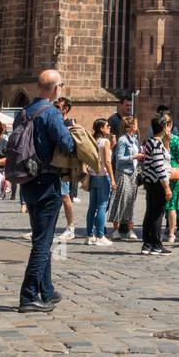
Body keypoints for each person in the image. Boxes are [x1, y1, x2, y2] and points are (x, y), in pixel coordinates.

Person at [16, 69, 77, 314]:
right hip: (46, 180)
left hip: (28, 181)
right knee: (42, 242)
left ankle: (47, 290)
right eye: (60, 84)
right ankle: (29, 295)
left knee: (43, 237)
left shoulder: (24, 112)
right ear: (55, 89)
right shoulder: (51, 113)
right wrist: (71, 133)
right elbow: (67, 144)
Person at [141, 115, 172, 255]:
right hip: (157, 182)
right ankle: (156, 245)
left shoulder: (150, 142)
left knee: (150, 213)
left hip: (149, 181)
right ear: (163, 127)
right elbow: (160, 166)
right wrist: (166, 187)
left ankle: (147, 244)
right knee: (157, 214)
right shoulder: (156, 144)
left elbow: (162, 159)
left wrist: (167, 142)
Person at [108, 115, 141, 239]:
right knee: (120, 200)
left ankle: (129, 230)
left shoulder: (134, 139)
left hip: (133, 174)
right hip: (123, 173)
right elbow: (119, 159)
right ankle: (116, 230)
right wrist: (134, 157)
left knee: (130, 202)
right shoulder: (122, 140)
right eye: (136, 124)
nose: (137, 127)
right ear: (131, 126)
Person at [84, 119, 115, 247]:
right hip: (103, 176)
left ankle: (90, 235)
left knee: (92, 207)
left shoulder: (93, 140)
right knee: (102, 206)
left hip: (93, 175)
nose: (109, 127)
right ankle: (100, 236)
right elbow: (107, 161)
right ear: (102, 128)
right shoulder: (105, 141)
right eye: (107, 126)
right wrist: (112, 179)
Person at [54, 97, 77, 239]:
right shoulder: (55, 121)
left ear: (65, 109)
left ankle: (71, 227)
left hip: (63, 165)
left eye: (58, 106)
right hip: (52, 164)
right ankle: (46, 226)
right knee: (52, 197)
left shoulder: (70, 123)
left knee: (64, 196)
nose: (56, 108)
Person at [163, 115, 179, 244]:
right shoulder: (175, 139)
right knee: (172, 206)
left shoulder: (157, 139)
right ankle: (171, 233)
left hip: (161, 172)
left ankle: (165, 231)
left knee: (162, 204)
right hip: (174, 173)